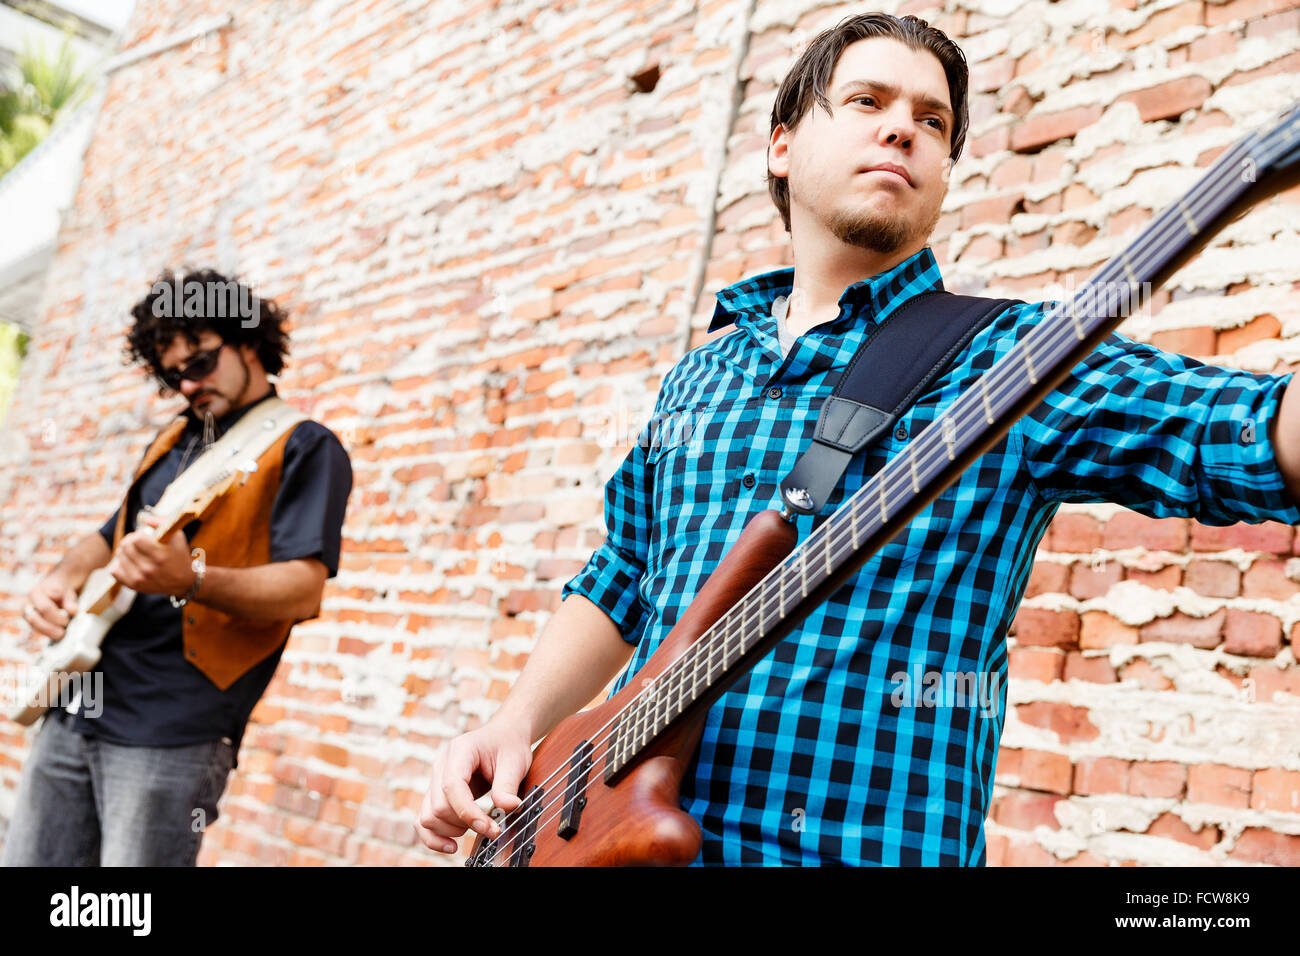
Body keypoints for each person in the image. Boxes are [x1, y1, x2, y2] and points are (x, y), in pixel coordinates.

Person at [417, 13, 1300, 864]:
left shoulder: (1015, 358)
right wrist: (517, 721)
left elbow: (1248, 436)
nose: (903, 130)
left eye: (932, 121)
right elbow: (623, 575)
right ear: (782, 145)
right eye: (867, 102)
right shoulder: (702, 375)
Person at [4, 269, 352, 867]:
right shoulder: (175, 437)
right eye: (172, 375)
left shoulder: (306, 445)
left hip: (174, 727)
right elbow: (110, 536)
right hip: (78, 703)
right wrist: (59, 579)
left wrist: (189, 580)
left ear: (248, 341)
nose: (188, 384)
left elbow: (303, 588)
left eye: (200, 362)